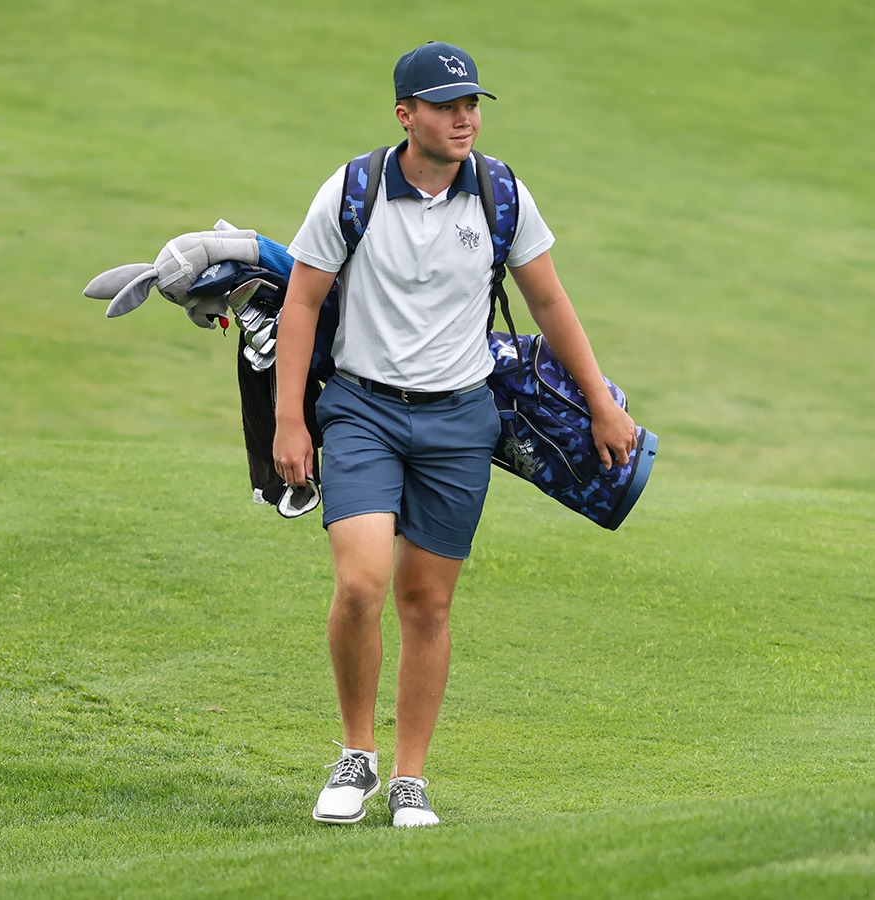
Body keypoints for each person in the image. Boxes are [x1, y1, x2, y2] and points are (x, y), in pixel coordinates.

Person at [272, 40, 637, 828]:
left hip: (460, 419)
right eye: (445, 106)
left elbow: (549, 305)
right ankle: (356, 756)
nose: (464, 118)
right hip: (362, 410)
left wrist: (602, 404)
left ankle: (410, 780)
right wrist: (290, 420)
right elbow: (301, 305)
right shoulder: (353, 189)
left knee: (427, 604)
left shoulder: (502, 194)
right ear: (406, 115)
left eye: (471, 103)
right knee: (363, 582)